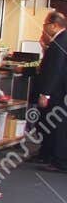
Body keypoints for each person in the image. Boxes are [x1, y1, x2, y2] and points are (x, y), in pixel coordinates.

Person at [32, 10, 67, 170]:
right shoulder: (59, 40)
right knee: (51, 123)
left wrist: (45, 93)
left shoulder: (61, 41)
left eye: (46, 24)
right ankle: (48, 154)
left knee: (58, 125)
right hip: (59, 91)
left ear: (54, 25)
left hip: (58, 92)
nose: (44, 27)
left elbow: (56, 70)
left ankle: (58, 160)